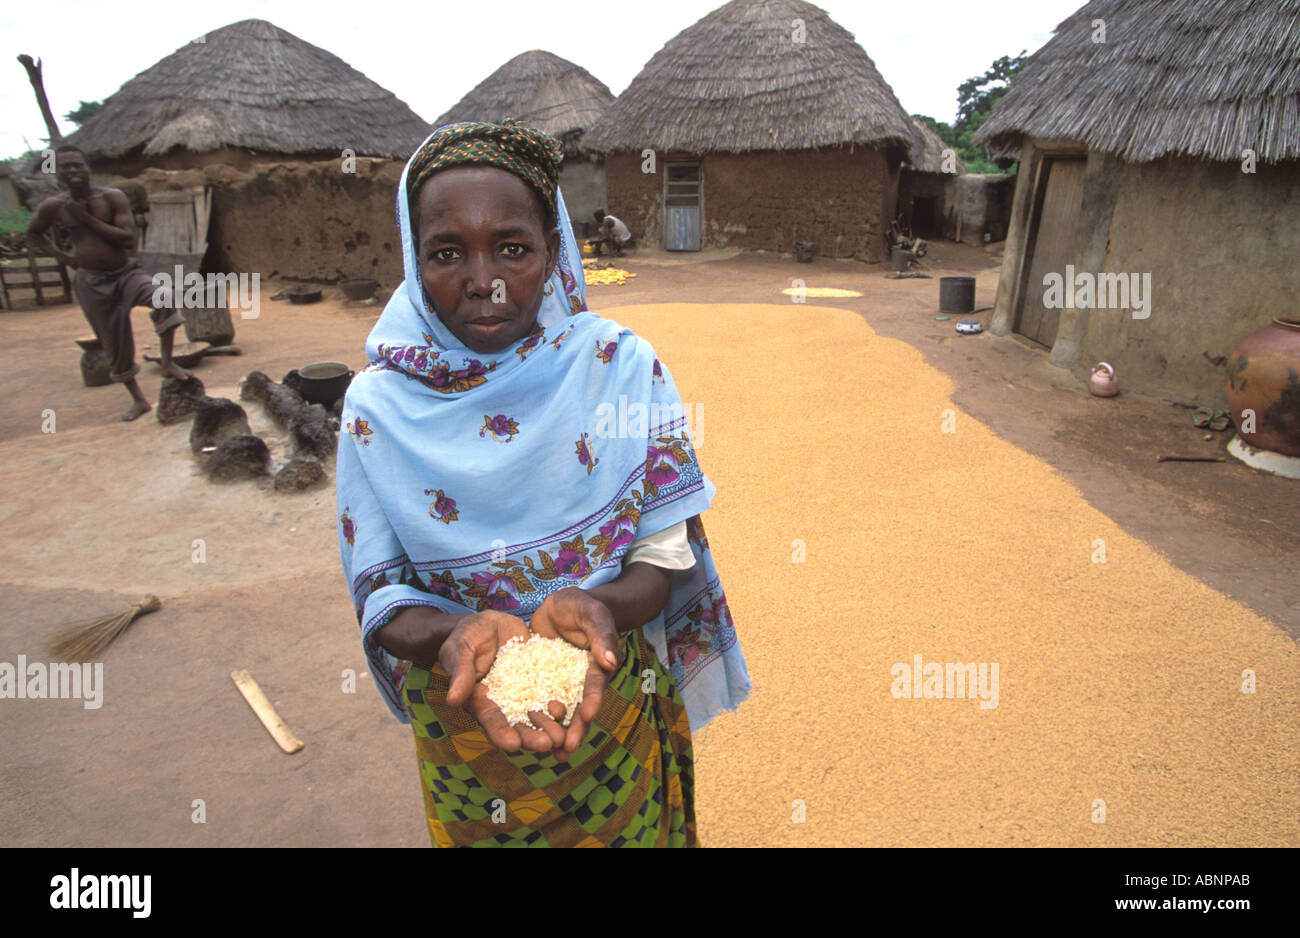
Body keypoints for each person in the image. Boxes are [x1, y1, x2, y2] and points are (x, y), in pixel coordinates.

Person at [336, 120, 750, 847]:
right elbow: (382, 595)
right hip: (467, 723)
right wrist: (452, 633)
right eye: (445, 253)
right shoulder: (376, 407)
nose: (484, 280)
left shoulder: (618, 367)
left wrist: (595, 604)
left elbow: (660, 561)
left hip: (609, 702)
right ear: (411, 259)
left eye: (513, 248)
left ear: (554, 251)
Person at [26, 145, 189, 421]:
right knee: (113, 341)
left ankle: (167, 360)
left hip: (125, 273)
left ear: (88, 168)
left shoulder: (112, 197)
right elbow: (34, 234)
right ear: (57, 172)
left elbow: (127, 238)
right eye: (65, 166)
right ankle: (139, 400)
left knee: (163, 297)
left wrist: (85, 218)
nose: (73, 170)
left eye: (77, 165)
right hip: (91, 282)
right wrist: (65, 258)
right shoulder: (53, 206)